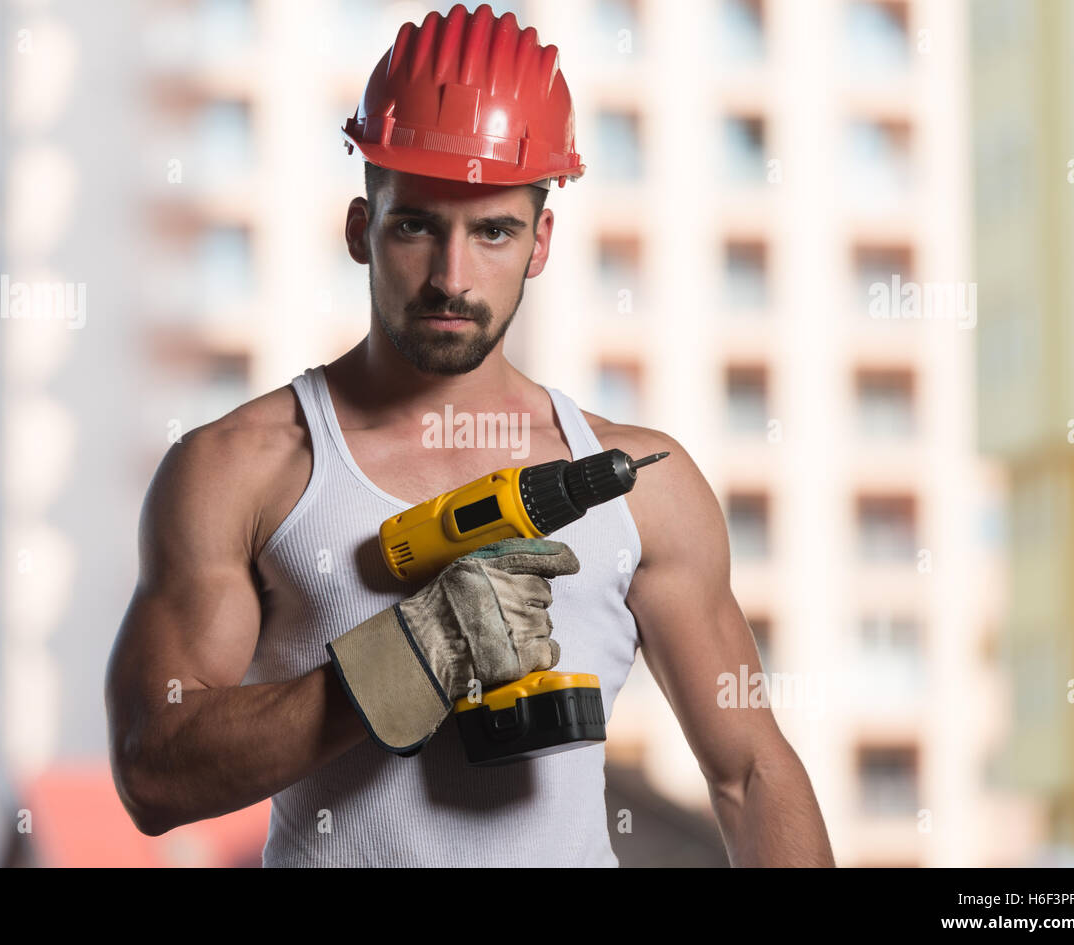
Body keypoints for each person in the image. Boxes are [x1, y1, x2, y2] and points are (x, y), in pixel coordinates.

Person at [104, 2, 833, 867]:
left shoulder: (646, 488)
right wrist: (404, 659)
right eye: (416, 224)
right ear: (359, 229)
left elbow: (751, 772)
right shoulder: (238, 469)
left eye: (493, 230)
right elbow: (154, 773)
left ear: (540, 242)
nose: (453, 277)